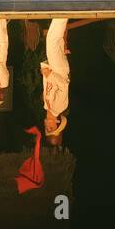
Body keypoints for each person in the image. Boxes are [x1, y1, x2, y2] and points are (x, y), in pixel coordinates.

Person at [41, 18, 70, 146]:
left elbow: (47, 84)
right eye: (51, 128)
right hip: (59, 69)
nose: (48, 126)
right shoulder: (59, 107)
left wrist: (45, 70)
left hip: (54, 68)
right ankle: (63, 11)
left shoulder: (47, 106)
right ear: (58, 123)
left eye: (47, 129)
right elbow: (64, 84)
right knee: (51, 39)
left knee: (55, 39)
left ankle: (63, 12)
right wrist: (51, 74)